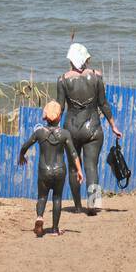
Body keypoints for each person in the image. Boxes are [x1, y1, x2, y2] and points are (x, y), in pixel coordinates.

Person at [57, 42, 122, 215]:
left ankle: (78, 206)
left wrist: (53, 128)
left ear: (70, 59)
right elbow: (103, 104)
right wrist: (113, 126)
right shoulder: (96, 76)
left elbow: (60, 108)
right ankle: (93, 205)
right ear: (85, 58)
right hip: (93, 128)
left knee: (73, 168)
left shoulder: (63, 80)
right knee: (91, 166)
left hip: (70, 129)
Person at [19, 101, 82, 236]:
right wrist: (79, 170)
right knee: (57, 198)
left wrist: (21, 156)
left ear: (45, 117)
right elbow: (73, 153)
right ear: (59, 116)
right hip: (60, 171)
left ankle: (40, 217)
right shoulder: (65, 134)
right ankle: (54, 229)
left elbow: (25, 145)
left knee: (42, 197)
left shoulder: (39, 133)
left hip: (44, 170)